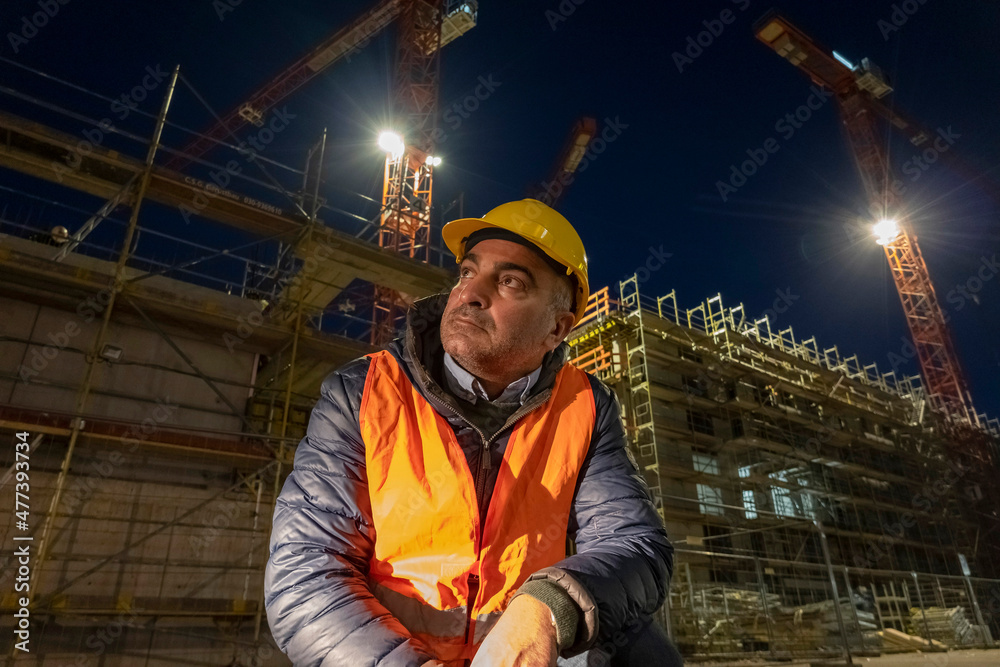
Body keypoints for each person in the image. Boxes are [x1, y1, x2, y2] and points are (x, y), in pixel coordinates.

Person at [265, 199, 680, 666]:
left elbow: (635, 545)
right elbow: (304, 571)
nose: (470, 293)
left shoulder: (585, 404)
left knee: (645, 653)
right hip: (389, 654)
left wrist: (549, 606)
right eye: (466, 272)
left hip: (524, 656)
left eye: (509, 282)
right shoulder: (364, 391)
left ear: (557, 328)